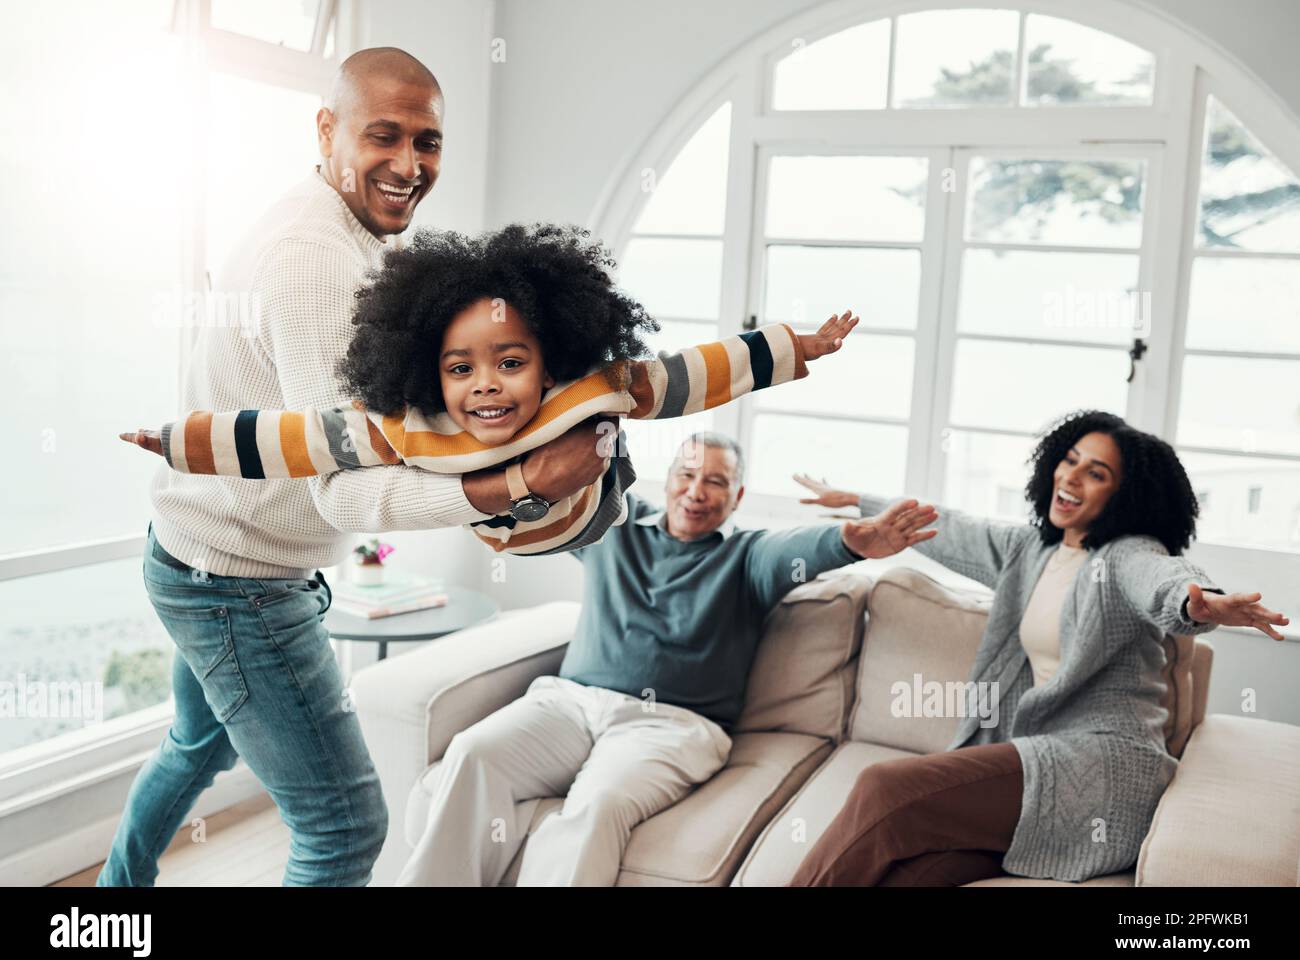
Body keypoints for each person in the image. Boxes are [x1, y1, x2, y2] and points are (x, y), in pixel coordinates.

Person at [98, 48, 610, 887]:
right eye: (386, 136)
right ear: (328, 131)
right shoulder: (317, 261)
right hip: (238, 580)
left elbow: (376, 419)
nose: (410, 165)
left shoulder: (352, 235)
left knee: (195, 747)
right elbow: (345, 491)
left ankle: (112, 902)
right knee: (343, 826)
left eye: (429, 142)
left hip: (196, 546)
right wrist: (518, 486)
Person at [120, 222, 860, 555]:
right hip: (503, 522)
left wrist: (793, 347)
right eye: (460, 369)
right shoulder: (407, 425)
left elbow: (692, 375)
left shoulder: (588, 390)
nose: (486, 388)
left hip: (588, 509)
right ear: (429, 375)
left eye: (511, 363)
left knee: (619, 424)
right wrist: (180, 443)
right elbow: (292, 439)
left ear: (551, 360)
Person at [396, 432, 940, 885]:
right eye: (687, 474)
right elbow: (567, 481)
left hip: (672, 727)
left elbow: (797, 548)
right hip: (570, 704)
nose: (696, 492)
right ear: (670, 476)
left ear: (738, 495)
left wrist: (852, 538)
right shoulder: (613, 523)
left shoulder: (748, 556)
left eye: (716, 481)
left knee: (598, 803)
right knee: (471, 754)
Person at [788, 409, 1290, 886]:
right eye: (1069, 460)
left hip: (1106, 769)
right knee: (909, 876)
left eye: (1096, 473)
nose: (1071, 478)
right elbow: (953, 528)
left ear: (1125, 496)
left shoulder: (1124, 557)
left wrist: (1202, 604)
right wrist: (858, 500)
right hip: (1038, 761)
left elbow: (1164, 580)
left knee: (885, 788)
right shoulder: (1030, 550)